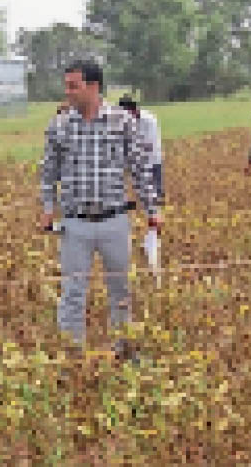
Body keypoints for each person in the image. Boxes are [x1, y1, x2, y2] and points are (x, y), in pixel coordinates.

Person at [39, 60, 161, 362]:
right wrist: (46, 207)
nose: (67, 92)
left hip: (114, 220)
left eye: (73, 86)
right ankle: (72, 356)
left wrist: (151, 209)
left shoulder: (121, 121)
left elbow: (139, 168)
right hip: (75, 224)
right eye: (66, 85)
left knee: (120, 289)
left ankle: (125, 350)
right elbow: (48, 171)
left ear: (93, 87)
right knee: (73, 292)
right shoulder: (60, 125)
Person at [118, 94, 164, 205]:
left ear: (133, 110)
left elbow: (150, 144)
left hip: (150, 154)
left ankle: (157, 196)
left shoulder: (149, 120)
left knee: (153, 175)